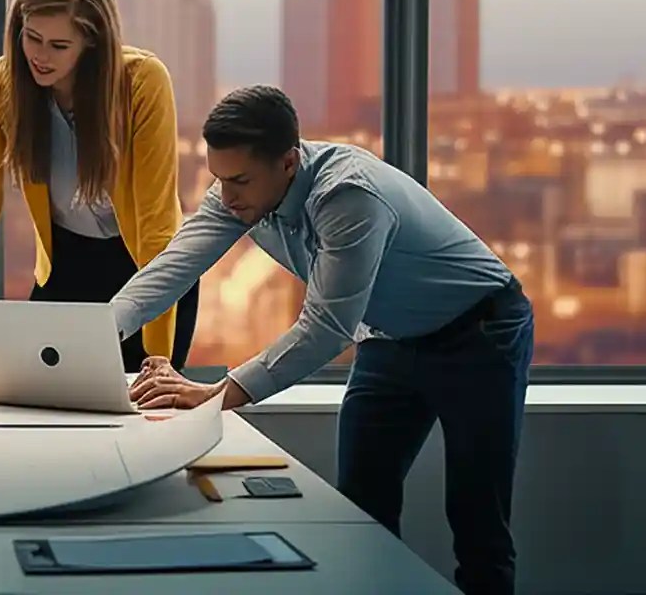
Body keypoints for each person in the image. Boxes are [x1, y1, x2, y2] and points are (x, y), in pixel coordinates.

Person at [117, 85, 533, 595]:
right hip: (388, 337)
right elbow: (170, 271)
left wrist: (217, 395)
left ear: (288, 163)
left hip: (479, 334)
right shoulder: (239, 195)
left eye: (240, 180)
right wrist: (87, 340)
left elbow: (324, 329)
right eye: (219, 179)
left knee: (477, 523)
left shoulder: (348, 195)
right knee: (360, 508)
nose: (227, 197)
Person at [0, 0, 200, 392]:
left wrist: (158, 355)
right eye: (31, 37)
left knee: (136, 412)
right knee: (36, 407)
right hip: (66, 267)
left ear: (91, 45)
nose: (39, 55)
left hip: (147, 272)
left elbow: (156, 226)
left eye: (58, 45)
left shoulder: (142, 83)